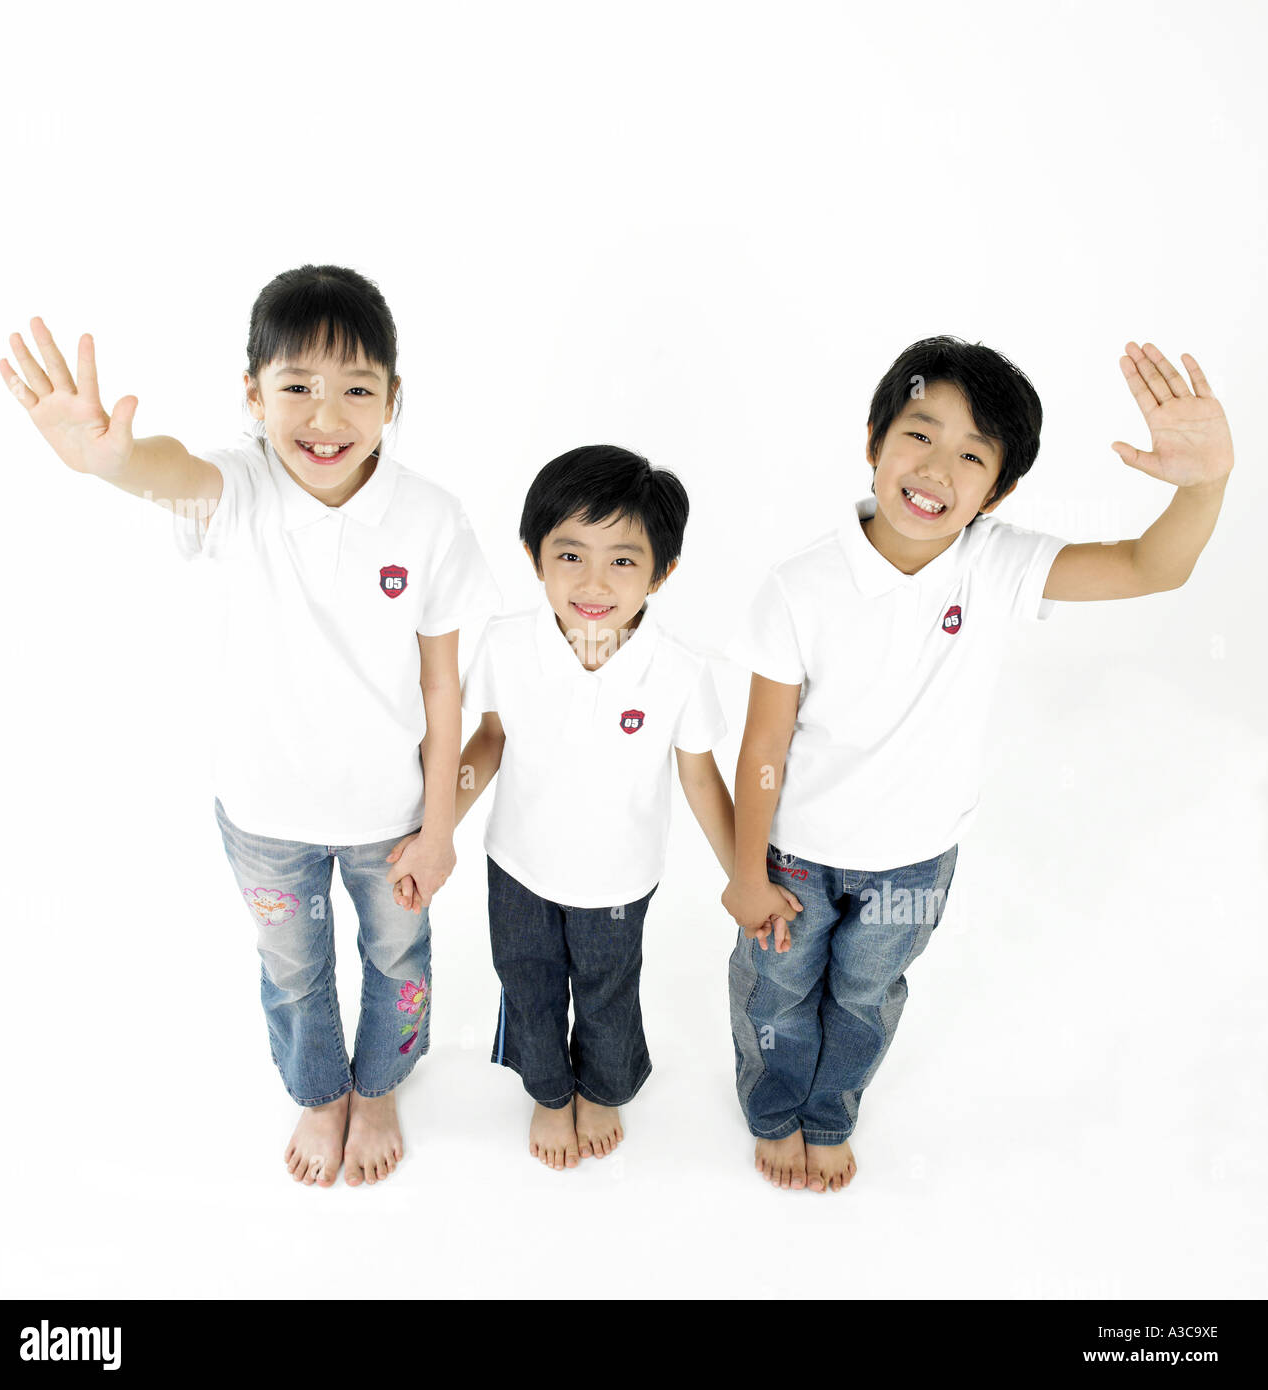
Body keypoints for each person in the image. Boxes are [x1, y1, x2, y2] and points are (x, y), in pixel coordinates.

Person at [0, 265, 500, 1189]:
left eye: (356, 389)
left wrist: (438, 828)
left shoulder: (430, 519)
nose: (326, 416)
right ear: (252, 395)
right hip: (265, 817)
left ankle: (381, 1085)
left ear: (394, 400)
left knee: (399, 955)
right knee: (294, 968)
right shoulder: (232, 492)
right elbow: (168, 469)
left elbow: (444, 692)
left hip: (390, 814)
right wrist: (111, 460)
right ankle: (320, 1092)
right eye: (297, 386)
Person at [721, 337, 1233, 1194]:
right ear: (875, 441)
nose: (937, 468)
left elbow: (1154, 566)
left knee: (864, 998)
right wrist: (745, 873)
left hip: (917, 856)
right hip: (796, 853)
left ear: (999, 490)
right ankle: (774, 1110)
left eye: (972, 455)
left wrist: (1204, 483)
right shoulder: (799, 585)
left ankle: (831, 1112)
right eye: (919, 435)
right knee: (775, 992)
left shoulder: (997, 564)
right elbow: (761, 749)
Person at [455, 444, 796, 1169]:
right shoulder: (506, 644)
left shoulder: (675, 670)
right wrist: (435, 827)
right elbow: (488, 738)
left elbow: (702, 778)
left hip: (619, 878)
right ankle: (549, 1093)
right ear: (533, 555)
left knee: (608, 992)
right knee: (528, 982)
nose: (594, 582)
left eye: (623, 561)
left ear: (662, 572)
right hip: (516, 863)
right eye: (571, 555)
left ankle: (604, 1087)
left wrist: (747, 876)